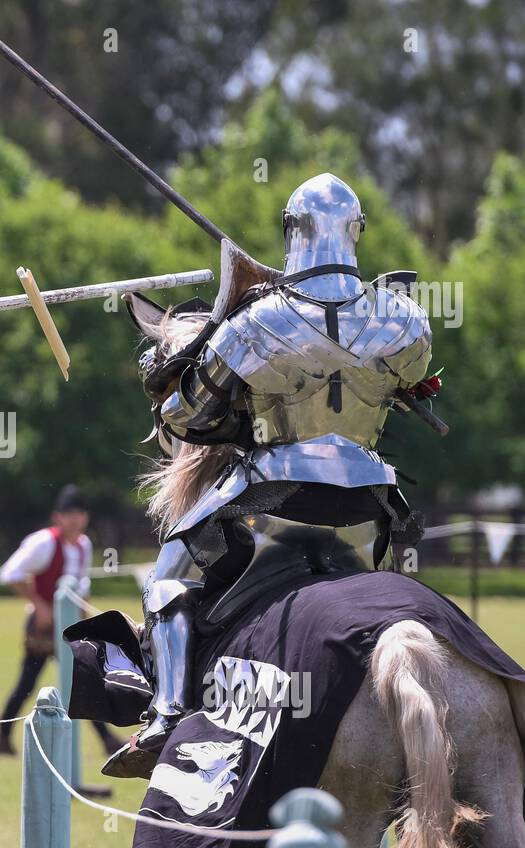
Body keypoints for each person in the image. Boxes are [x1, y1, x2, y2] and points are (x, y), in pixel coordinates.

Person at [89, 172, 435, 777]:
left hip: (276, 489)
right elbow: (413, 384)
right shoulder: (404, 319)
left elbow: (188, 414)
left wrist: (164, 371)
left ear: (291, 233)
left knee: (168, 574)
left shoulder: (257, 323)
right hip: (373, 498)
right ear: (357, 231)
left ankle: (167, 713)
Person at [0, 484, 125, 757]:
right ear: (58, 517)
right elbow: (9, 573)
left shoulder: (84, 545)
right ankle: (2, 737)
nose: (75, 519)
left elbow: (80, 583)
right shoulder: (43, 542)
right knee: (28, 683)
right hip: (42, 628)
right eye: (69, 513)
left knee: (83, 681)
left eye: (80, 513)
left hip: (69, 627)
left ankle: (107, 739)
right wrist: (39, 605)